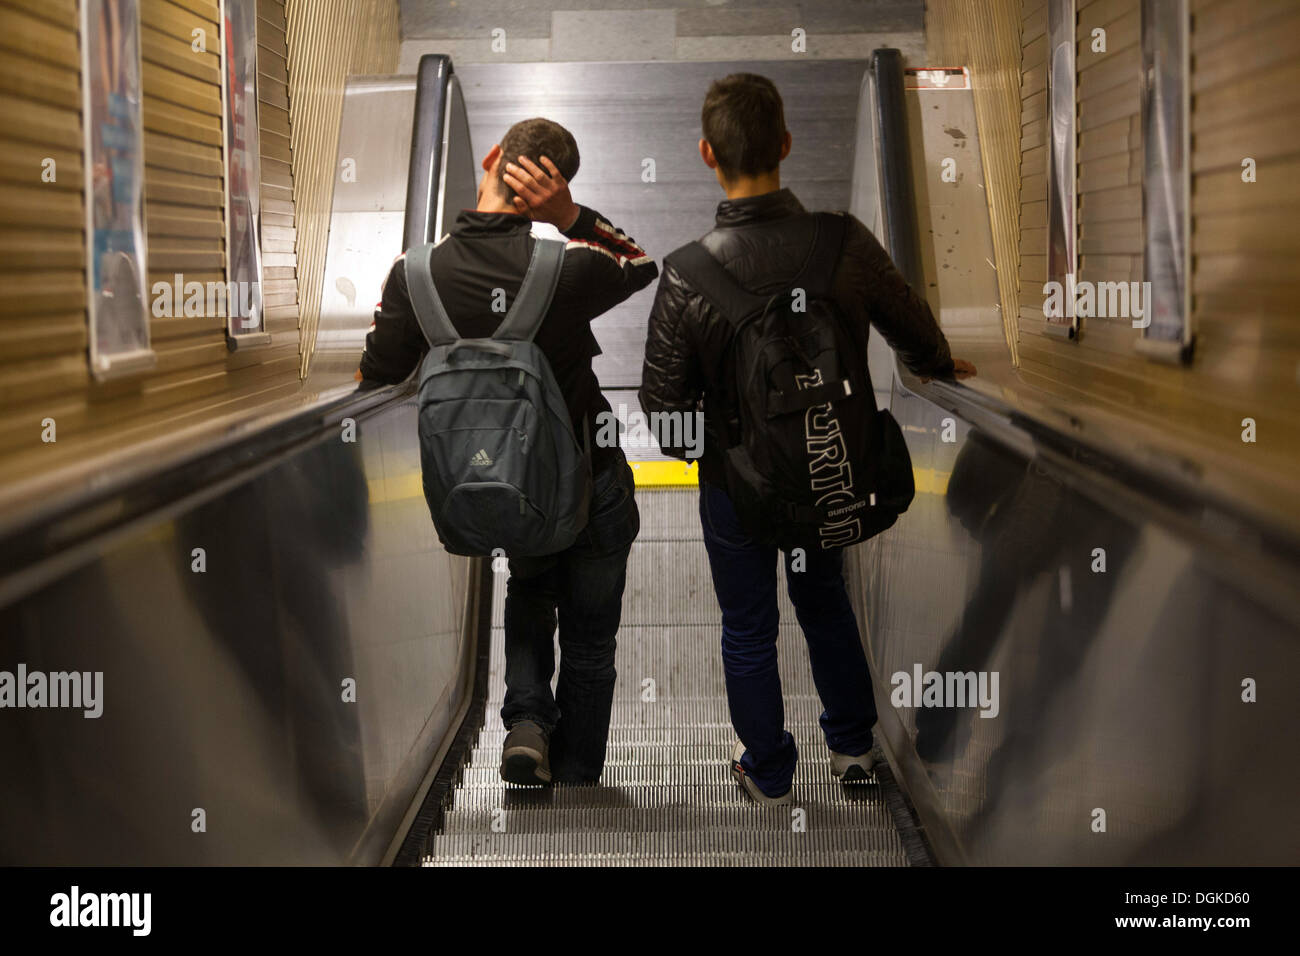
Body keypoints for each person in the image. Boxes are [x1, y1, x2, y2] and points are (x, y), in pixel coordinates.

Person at [639, 73, 976, 804]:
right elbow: (916, 331)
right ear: (786, 144)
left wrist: (732, 447)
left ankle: (767, 773)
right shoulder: (841, 240)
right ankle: (854, 750)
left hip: (739, 491)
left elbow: (665, 415)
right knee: (824, 600)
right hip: (831, 469)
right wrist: (940, 368)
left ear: (706, 153)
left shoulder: (688, 274)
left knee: (749, 626)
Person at [359, 118, 657, 784]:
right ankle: (579, 772)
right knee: (591, 636)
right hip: (593, 474)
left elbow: (378, 372)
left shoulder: (415, 275)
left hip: (505, 484)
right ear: (552, 188)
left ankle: (526, 724)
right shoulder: (566, 268)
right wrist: (572, 217)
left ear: (495, 158)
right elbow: (640, 265)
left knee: (529, 587)